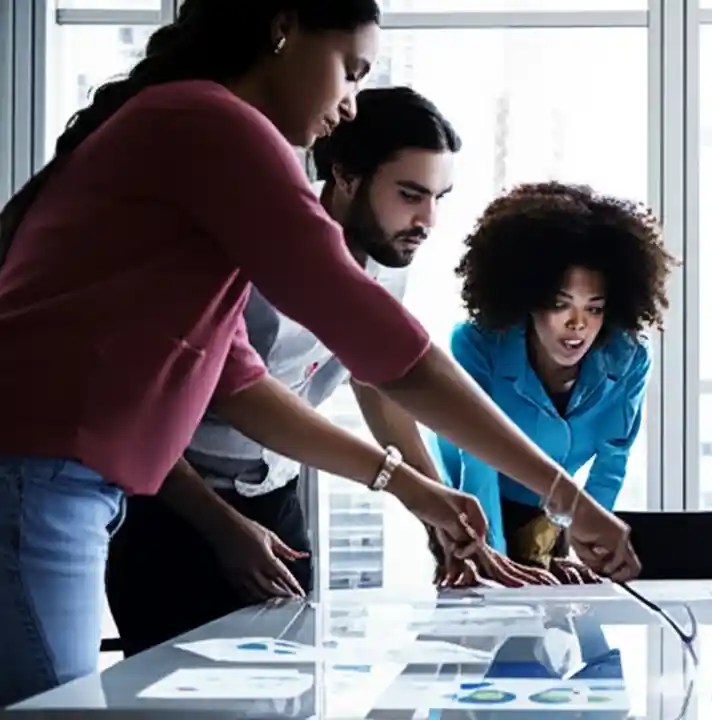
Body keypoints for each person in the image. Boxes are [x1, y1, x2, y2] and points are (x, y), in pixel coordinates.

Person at [0, 0, 637, 706]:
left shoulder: (196, 129)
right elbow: (387, 351)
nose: (348, 105)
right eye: (349, 71)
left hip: (69, 484)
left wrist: (411, 487)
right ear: (284, 28)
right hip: (38, 476)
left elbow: (241, 383)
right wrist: (567, 500)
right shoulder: (217, 125)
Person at [103, 86, 548, 659]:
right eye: (410, 194)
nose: (428, 220)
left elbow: (380, 386)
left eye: (439, 197)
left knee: (287, 693)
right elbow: (146, 408)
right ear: (345, 174)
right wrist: (220, 527)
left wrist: (436, 511)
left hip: (277, 502)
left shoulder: (388, 265)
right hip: (171, 503)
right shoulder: (250, 257)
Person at [433, 182, 675, 580]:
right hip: (466, 506)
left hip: (555, 512)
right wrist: (495, 561)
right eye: (559, 304)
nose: (577, 324)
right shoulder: (477, 345)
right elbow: (477, 463)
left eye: (593, 308)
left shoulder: (629, 359)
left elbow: (611, 464)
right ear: (527, 297)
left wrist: (592, 551)